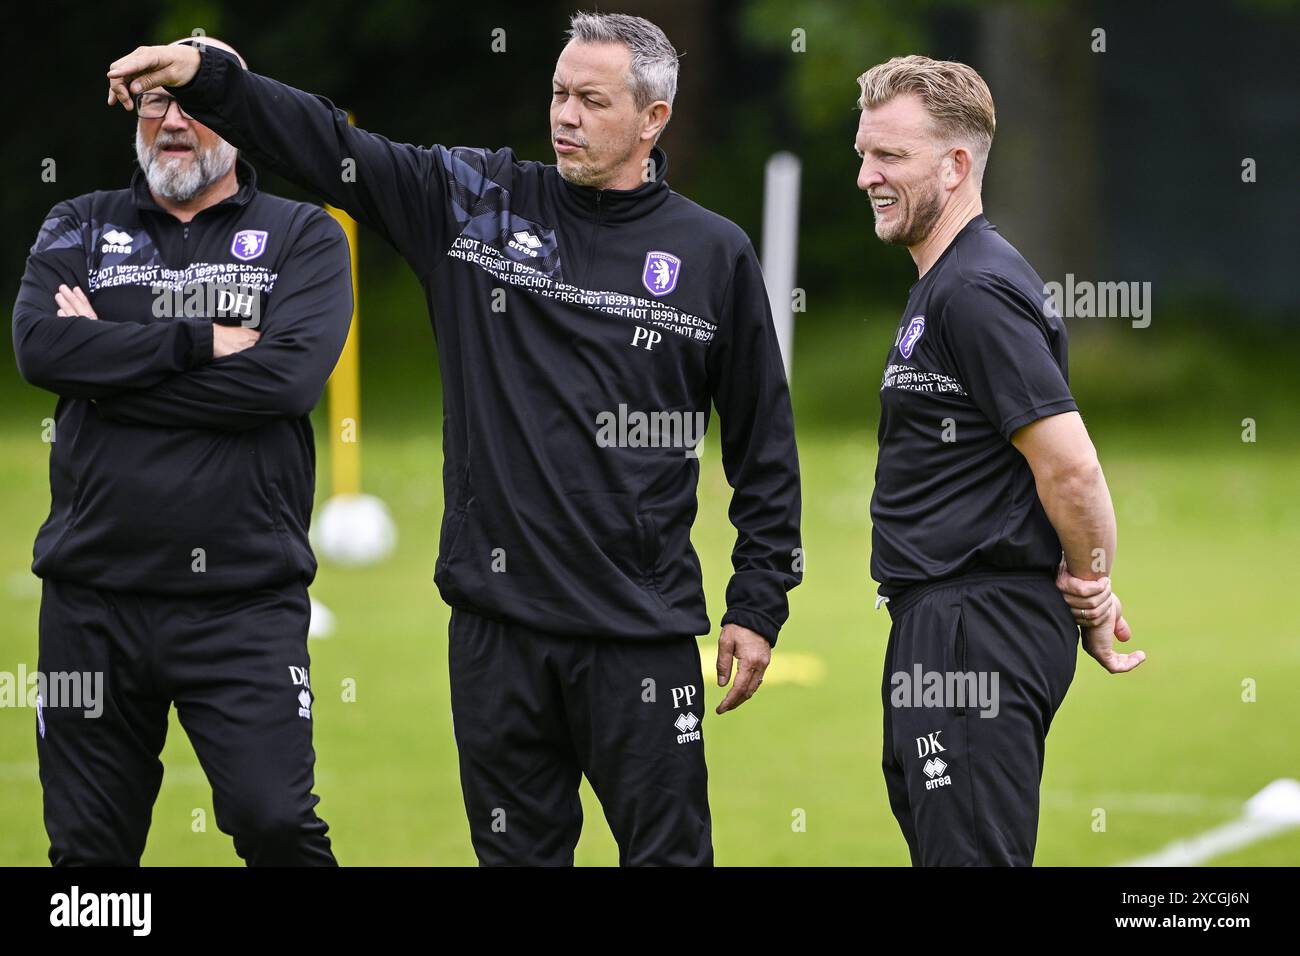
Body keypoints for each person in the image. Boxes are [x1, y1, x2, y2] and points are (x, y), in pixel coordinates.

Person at [105, 13, 802, 866]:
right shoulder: (476, 204)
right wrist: (205, 73)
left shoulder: (712, 254)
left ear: (653, 119)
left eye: (591, 99)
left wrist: (759, 600)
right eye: (558, 93)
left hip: (640, 637)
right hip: (494, 633)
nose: (565, 116)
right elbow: (327, 145)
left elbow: (763, 445)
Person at [14, 36, 351, 866]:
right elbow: (39, 350)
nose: (173, 120)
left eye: (195, 103)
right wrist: (202, 340)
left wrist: (112, 364)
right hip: (90, 599)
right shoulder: (79, 222)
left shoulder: (302, 236)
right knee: (88, 854)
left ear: (238, 120)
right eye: (159, 101)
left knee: (275, 823)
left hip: (241, 603)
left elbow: (284, 385)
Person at [855, 54, 1144, 866]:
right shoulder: (945, 283)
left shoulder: (974, 289)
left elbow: (1071, 466)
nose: (867, 176)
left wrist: (1090, 587)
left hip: (973, 628)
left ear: (955, 166)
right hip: (941, 622)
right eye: (863, 154)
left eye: (890, 157)